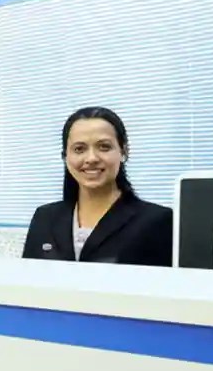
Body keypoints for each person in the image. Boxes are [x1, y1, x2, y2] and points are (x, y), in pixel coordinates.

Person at [22, 106, 173, 266]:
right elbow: (27, 282)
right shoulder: (45, 218)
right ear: (65, 156)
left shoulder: (158, 221)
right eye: (79, 149)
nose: (91, 158)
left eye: (104, 147)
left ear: (124, 152)